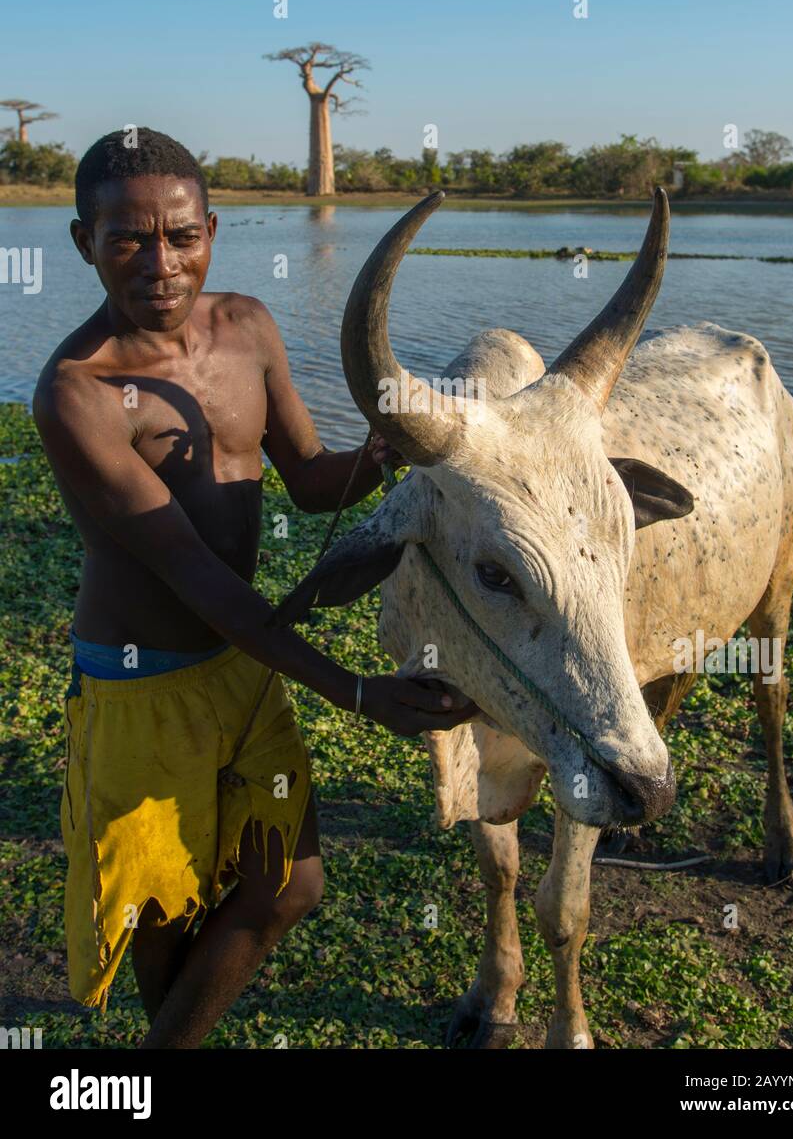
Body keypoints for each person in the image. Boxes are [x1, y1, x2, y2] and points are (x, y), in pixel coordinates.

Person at [33, 127, 475, 1048]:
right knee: (161, 920)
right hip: (140, 683)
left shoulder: (248, 329)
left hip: (241, 664)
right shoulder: (77, 391)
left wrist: (381, 456)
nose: (161, 262)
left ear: (212, 230)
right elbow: (196, 576)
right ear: (85, 243)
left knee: (289, 886)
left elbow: (312, 482)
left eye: (182, 235)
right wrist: (357, 693)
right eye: (128, 239)